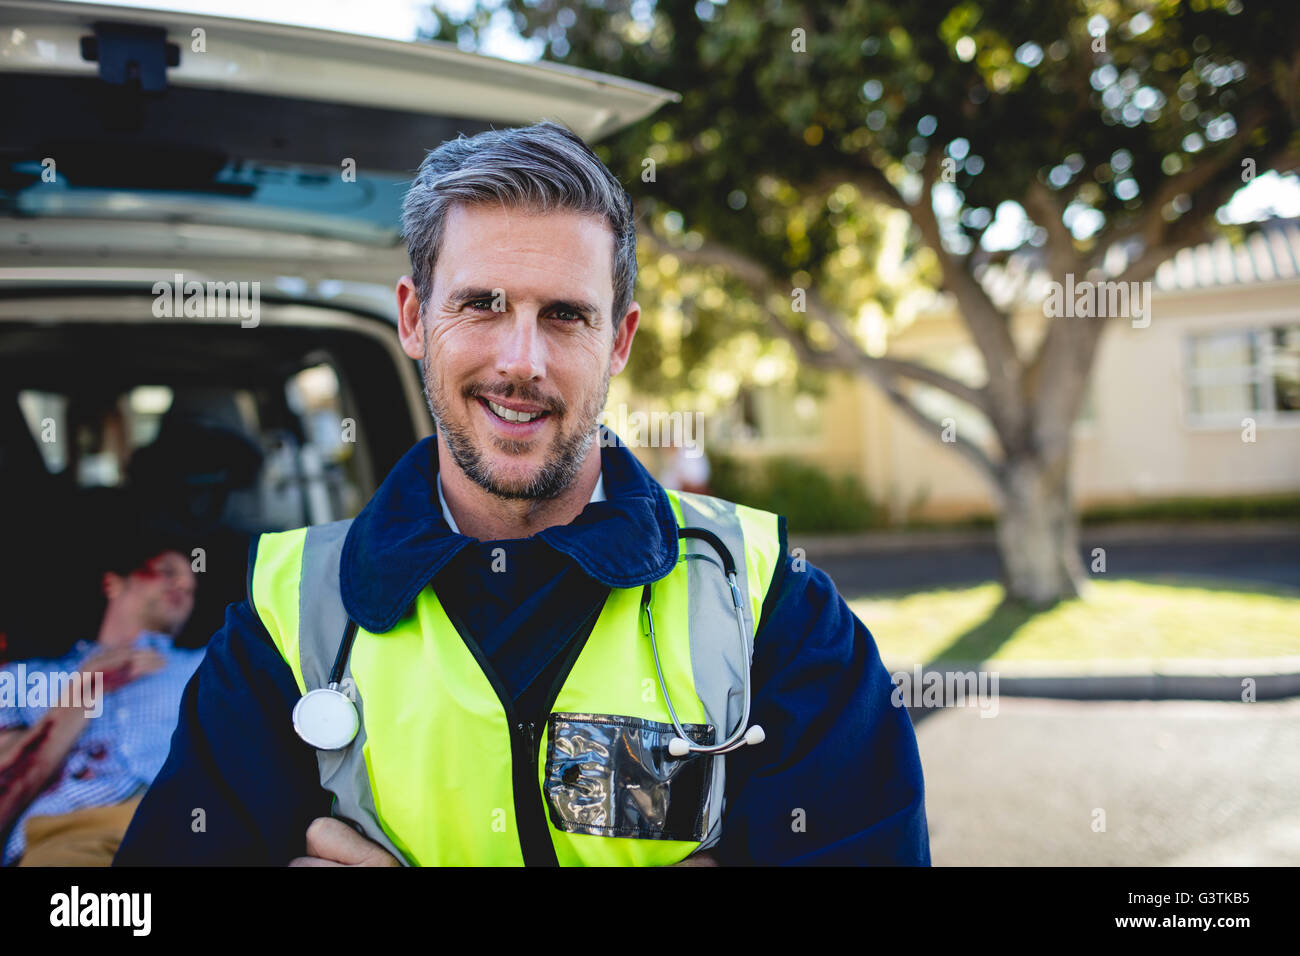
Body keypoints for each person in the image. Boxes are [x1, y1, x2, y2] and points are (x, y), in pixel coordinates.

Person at [114, 121, 929, 866]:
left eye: (567, 316)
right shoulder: (286, 618)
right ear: (413, 318)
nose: (522, 361)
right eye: (482, 304)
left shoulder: (766, 603)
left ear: (619, 341)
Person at [0, 531, 202, 866]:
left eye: (191, 588)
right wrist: (83, 690)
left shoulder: (209, 665)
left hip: (189, 821)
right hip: (68, 833)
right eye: (166, 572)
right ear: (114, 583)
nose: (182, 585)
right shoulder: (23, 679)